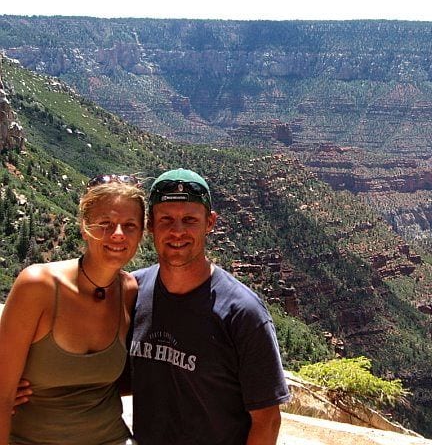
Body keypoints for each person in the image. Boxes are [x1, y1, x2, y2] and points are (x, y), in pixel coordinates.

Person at [128, 168, 290, 445]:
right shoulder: (132, 291)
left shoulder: (242, 312)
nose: (177, 231)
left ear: (210, 223)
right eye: (166, 219)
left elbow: (267, 419)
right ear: (151, 225)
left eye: (189, 219)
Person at [0, 174, 145, 445]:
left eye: (129, 225)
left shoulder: (129, 292)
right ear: (84, 226)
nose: (117, 234)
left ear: (141, 233)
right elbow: (2, 396)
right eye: (105, 224)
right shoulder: (39, 287)